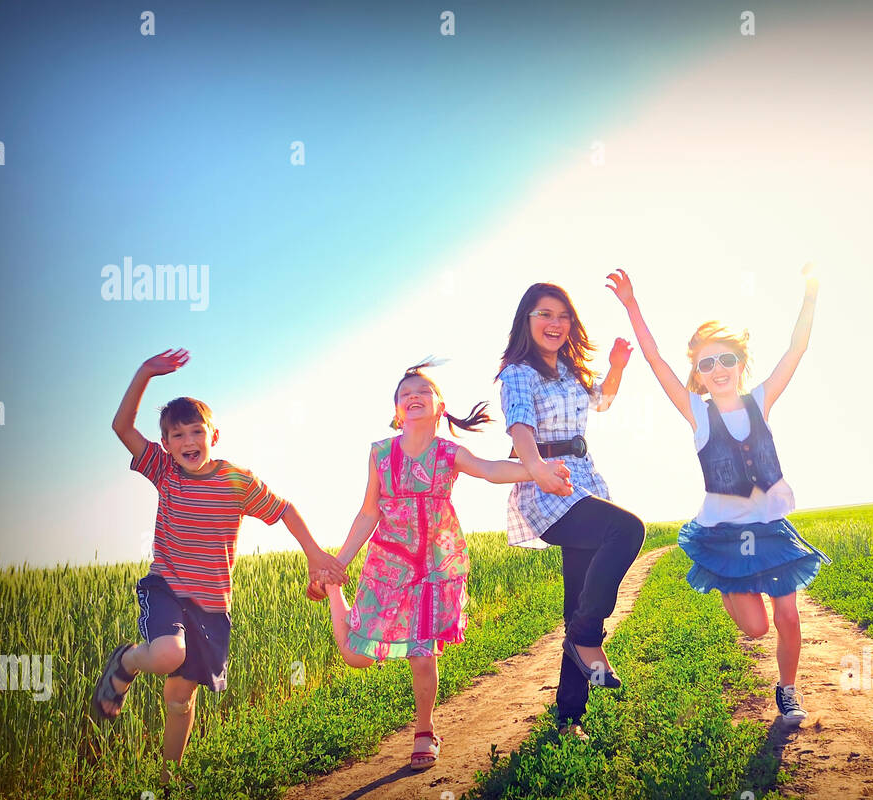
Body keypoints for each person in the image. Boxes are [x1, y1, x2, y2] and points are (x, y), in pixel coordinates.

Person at [92, 348, 345, 789]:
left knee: (180, 696)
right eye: (177, 435)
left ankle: (170, 777)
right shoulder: (163, 470)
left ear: (214, 435)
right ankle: (128, 659)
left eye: (196, 431)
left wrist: (314, 553)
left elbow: (284, 509)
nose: (188, 441)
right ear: (166, 444)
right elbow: (121, 427)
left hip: (211, 603)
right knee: (169, 652)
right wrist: (145, 373)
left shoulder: (236, 480)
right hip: (167, 588)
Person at [309, 361, 570, 769]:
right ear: (397, 411)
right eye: (404, 393)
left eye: (422, 391)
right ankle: (333, 592)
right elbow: (367, 513)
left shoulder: (448, 453)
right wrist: (338, 565)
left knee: (420, 651)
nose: (413, 396)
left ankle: (425, 731)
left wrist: (536, 471)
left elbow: (489, 470)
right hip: (388, 562)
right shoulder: (380, 453)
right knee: (354, 655)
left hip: (435, 563)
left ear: (439, 407)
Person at [606, 267, 830, 726]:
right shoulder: (697, 414)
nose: (717, 370)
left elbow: (797, 349)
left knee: (787, 614)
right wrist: (631, 304)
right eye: (706, 364)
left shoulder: (761, 400)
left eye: (725, 360)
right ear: (698, 375)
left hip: (770, 528)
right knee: (756, 628)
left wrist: (810, 292)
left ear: (741, 364)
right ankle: (726, 584)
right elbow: (654, 361)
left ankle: (787, 691)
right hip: (725, 535)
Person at [497, 282, 643, 740]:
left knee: (577, 594)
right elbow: (519, 422)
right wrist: (535, 467)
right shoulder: (518, 371)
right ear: (527, 320)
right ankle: (586, 637)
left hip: (584, 479)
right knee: (627, 530)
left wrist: (616, 368)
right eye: (544, 314)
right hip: (547, 483)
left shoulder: (571, 372)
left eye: (562, 315)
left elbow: (601, 400)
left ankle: (568, 716)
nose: (554, 323)